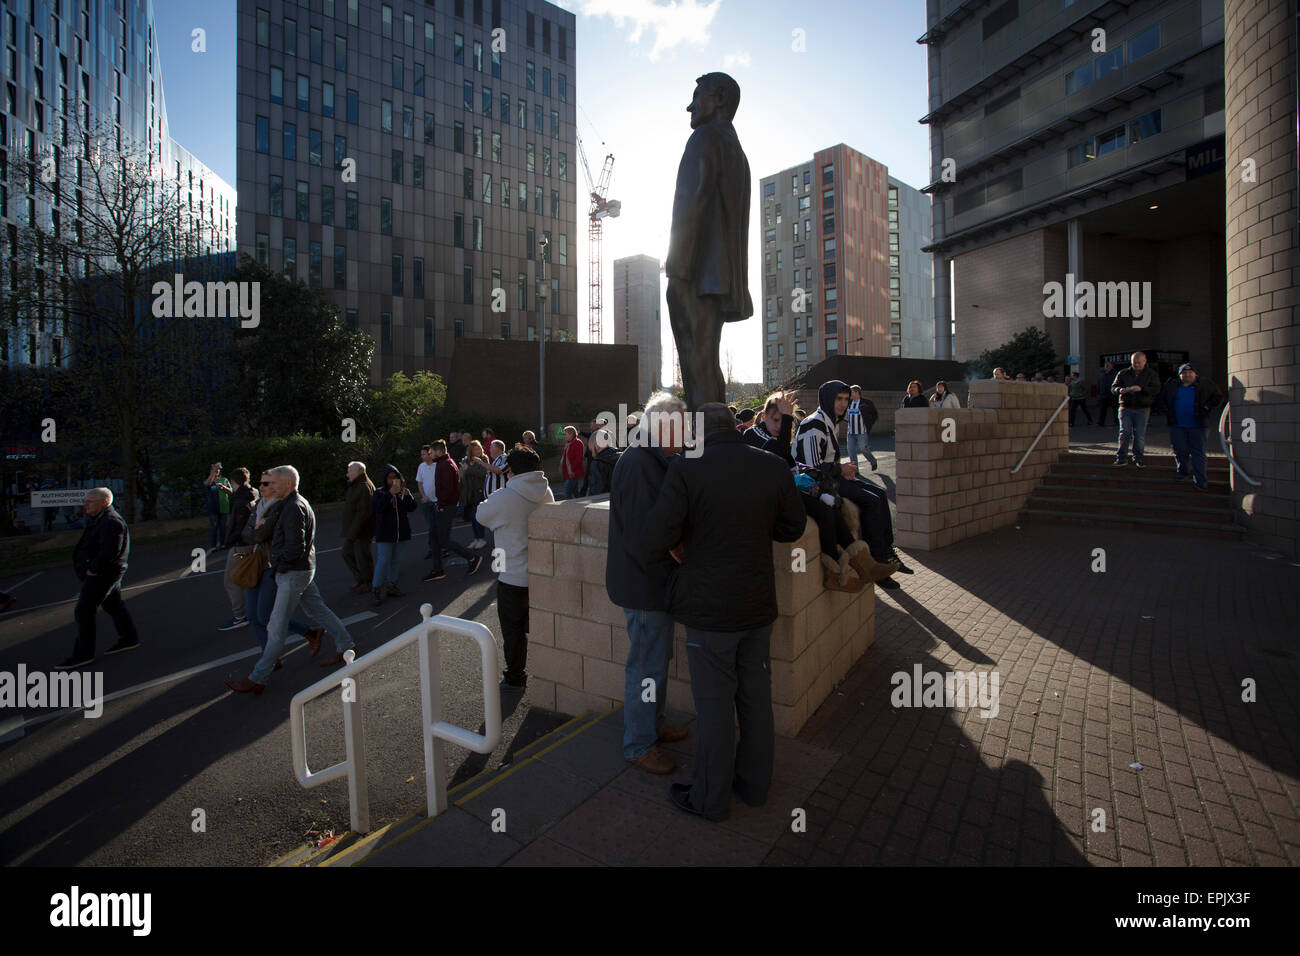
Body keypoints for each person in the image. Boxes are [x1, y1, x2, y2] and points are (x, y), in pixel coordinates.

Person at [644, 403, 806, 821]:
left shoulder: (686, 468)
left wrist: (685, 541)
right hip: (756, 605)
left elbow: (658, 532)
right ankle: (754, 787)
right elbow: (792, 528)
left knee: (714, 707)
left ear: (699, 430)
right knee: (755, 699)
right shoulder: (770, 465)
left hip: (708, 610)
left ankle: (709, 799)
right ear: (735, 426)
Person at [607, 392, 690, 774]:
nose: (687, 432)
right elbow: (647, 532)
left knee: (654, 664)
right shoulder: (641, 463)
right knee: (646, 667)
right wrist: (674, 546)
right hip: (644, 586)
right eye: (682, 424)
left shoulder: (649, 458)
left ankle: (651, 729)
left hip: (650, 584)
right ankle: (638, 744)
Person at [225, 466, 356, 694]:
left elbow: (295, 547)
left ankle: (258, 678)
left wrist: (278, 569)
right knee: (318, 611)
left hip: (294, 573)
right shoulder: (290, 504)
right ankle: (345, 644)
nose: (268, 486)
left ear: (286, 484)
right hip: (300, 570)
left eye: (273, 483)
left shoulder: (293, 507)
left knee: (275, 626)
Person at [747, 391, 894, 590]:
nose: (780, 425)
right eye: (775, 420)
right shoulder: (753, 434)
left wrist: (808, 480)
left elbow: (791, 464)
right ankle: (837, 571)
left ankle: (863, 565)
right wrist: (788, 417)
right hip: (768, 499)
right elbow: (778, 452)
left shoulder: (774, 432)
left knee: (829, 507)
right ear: (763, 417)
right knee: (825, 509)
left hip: (785, 491)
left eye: (783, 421)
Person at [665, 72, 752, 407]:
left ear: (718, 99)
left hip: (695, 275)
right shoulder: (735, 149)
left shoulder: (705, 138)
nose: (690, 105)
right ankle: (716, 439)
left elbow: (691, 202)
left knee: (695, 361)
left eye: (697, 95)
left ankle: (707, 441)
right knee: (706, 360)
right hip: (719, 280)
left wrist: (678, 270)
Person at [799, 380, 913, 579]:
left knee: (880, 493)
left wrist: (843, 470)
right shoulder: (814, 423)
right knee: (871, 500)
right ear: (827, 399)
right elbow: (811, 468)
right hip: (816, 483)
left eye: (845, 399)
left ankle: (887, 552)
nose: (843, 403)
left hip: (831, 477)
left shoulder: (830, 420)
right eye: (838, 399)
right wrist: (840, 469)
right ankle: (876, 559)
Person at [475, 446, 555, 690]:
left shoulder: (504, 497)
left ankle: (516, 676)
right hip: (541, 575)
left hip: (512, 577)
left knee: (513, 631)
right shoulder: (546, 491)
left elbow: (480, 515)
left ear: (510, 470)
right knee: (541, 627)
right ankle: (550, 673)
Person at [237, 470, 322, 666]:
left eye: (268, 483)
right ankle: (271, 655)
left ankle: (272, 657)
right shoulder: (258, 505)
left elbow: (258, 535)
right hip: (255, 564)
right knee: (253, 616)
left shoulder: (279, 507)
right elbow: (246, 534)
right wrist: (256, 528)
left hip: (271, 566)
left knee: (266, 615)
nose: (263, 487)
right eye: (262, 483)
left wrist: (256, 529)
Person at [57, 487, 140, 669]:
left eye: (90, 501)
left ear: (104, 502)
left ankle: (83, 654)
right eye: (86, 500)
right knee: (113, 605)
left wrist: (94, 569)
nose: (85, 504)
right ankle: (129, 637)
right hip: (105, 572)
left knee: (84, 611)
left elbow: (111, 551)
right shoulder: (100, 519)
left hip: (104, 574)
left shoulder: (111, 521)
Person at [421, 440, 483, 581]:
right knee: (434, 539)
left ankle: (472, 558)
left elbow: (449, 490)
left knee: (443, 540)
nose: (430, 455)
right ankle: (437, 570)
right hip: (443, 506)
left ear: (439, 451)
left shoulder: (447, 465)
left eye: (431, 452)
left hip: (446, 507)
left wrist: (441, 505)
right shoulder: (443, 463)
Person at [1154, 363, 1223, 490]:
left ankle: (1200, 481)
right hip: (1177, 425)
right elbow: (1160, 398)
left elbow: (1218, 396)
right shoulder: (1171, 385)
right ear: (1179, 375)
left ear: (1195, 374)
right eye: (1183, 373)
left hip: (1199, 425)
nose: (1187, 375)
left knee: (1198, 453)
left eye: (1190, 372)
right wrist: (1166, 410)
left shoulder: (1205, 384)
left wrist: (1207, 406)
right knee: (1180, 450)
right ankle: (1182, 472)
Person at [371, 464, 418, 605]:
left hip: (401, 533)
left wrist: (407, 496)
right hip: (385, 534)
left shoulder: (403, 492)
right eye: (390, 478)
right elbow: (378, 508)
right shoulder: (379, 493)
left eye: (395, 477)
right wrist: (389, 494)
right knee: (383, 560)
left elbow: (412, 507)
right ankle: (376, 588)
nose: (392, 481)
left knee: (396, 560)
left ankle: (392, 585)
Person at [218, 468, 256, 631]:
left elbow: (237, 526)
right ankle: (253, 610)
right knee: (249, 577)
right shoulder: (252, 493)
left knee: (232, 580)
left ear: (233, 482)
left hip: (240, 545)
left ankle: (240, 616)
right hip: (249, 543)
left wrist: (227, 543)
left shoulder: (241, 502)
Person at [1111, 351, 1161, 467]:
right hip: (1125, 406)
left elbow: (1156, 389)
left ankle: (1138, 458)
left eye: (1139, 363)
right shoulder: (1123, 373)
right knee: (1125, 432)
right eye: (1134, 363)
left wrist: (1141, 389)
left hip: (1142, 407)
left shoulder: (1151, 374)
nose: (1137, 365)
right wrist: (1120, 390)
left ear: (1144, 362)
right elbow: (1113, 387)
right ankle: (1121, 458)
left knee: (1139, 434)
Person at [341, 461, 377, 592]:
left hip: (362, 530)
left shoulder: (364, 486)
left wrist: (352, 533)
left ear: (357, 472)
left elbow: (363, 513)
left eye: (349, 471)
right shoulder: (356, 485)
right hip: (355, 530)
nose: (347, 474)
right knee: (348, 553)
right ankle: (361, 578)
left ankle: (369, 582)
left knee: (363, 557)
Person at [460, 440, 490, 548]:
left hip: (479, 491)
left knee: (477, 515)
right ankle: (476, 538)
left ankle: (481, 538)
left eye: (479, 448)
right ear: (471, 450)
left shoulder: (483, 459)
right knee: (472, 517)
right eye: (475, 449)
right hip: (469, 492)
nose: (478, 451)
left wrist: (468, 470)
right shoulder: (466, 460)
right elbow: (462, 475)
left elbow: (482, 473)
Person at [843, 384, 879, 471]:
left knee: (863, 448)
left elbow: (874, 415)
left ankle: (873, 461)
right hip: (851, 432)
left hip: (862, 432)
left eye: (851, 392)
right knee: (851, 451)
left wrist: (868, 424)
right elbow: (845, 416)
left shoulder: (866, 403)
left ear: (856, 392)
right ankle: (855, 471)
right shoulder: (848, 403)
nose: (849, 395)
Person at [415, 444, 439, 559]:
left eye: (424, 454)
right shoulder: (421, 467)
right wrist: (423, 496)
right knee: (431, 526)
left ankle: (439, 547)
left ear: (430, 453)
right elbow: (419, 483)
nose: (422, 456)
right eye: (421, 455)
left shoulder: (438, 465)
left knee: (437, 526)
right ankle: (433, 548)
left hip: (438, 501)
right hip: (427, 502)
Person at [203, 463, 232, 551]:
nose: (217, 471)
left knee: (223, 526)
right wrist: (213, 472)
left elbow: (231, 491)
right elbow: (206, 484)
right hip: (213, 507)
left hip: (223, 506)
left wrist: (223, 487)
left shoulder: (224, 480)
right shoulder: (209, 480)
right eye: (214, 470)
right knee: (214, 526)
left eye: (217, 470)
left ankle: (223, 543)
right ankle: (213, 545)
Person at [586, 426, 622, 497]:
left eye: (591, 450)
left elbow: (596, 491)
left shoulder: (597, 463)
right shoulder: (623, 458)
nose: (592, 455)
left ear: (597, 445)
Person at [559, 425, 586, 500]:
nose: (565, 436)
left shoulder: (578, 443)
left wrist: (572, 470)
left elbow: (578, 459)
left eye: (566, 434)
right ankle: (581, 505)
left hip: (573, 473)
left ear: (571, 434)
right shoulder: (568, 443)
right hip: (569, 472)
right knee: (575, 492)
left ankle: (570, 508)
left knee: (567, 492)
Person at [1097, 361, 1119, 427]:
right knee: (1102, 410)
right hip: (1103, 395)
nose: (1106, 366)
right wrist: (1098, 393)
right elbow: (1099, 384)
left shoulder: (1116, 374)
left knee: (1115, 409)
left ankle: (1117, 421)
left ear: (1112, 366)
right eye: (1105, 365)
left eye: (1108, 365)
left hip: (1113, 395)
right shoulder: (1102, 374)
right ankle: (1101, 422)